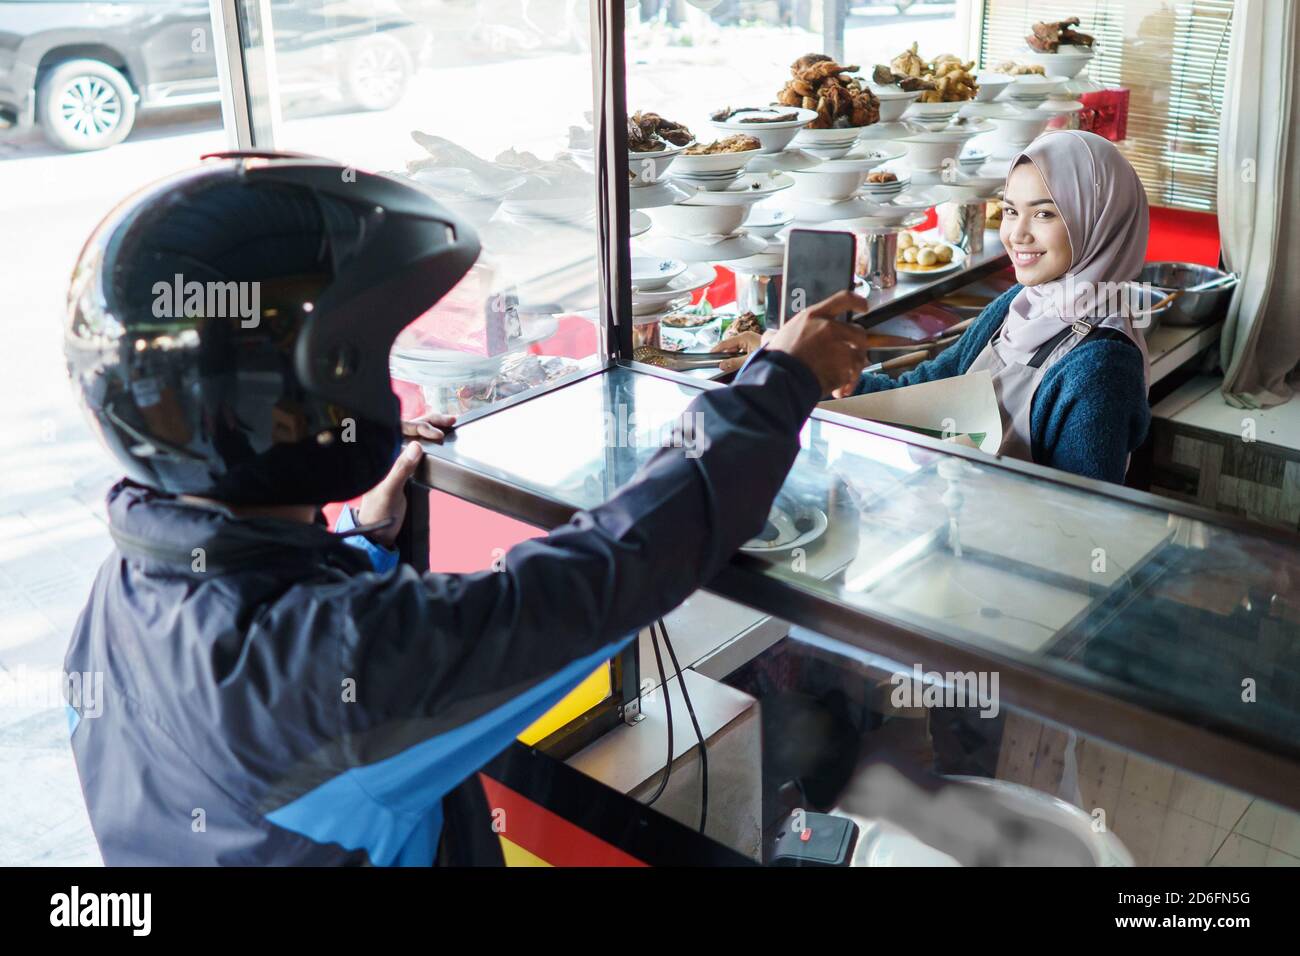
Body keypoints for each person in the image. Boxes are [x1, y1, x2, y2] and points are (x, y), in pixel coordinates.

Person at [61, 153, 871, 865]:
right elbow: (612, 574)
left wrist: (356, 540)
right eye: (365, 363)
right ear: (291, 398)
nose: (381, 391)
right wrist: (778, 382)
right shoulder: (335, 665)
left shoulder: (118, 593)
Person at [718, 130, 1153, 485]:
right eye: (1009, 211)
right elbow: (922, 393)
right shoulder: (1017, 306)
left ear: (1099, 220)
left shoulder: (1102, 363)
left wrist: (981, 474)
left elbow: (1086, 519)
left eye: (1044, 214)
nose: (1017, 234)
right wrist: (789, 361)